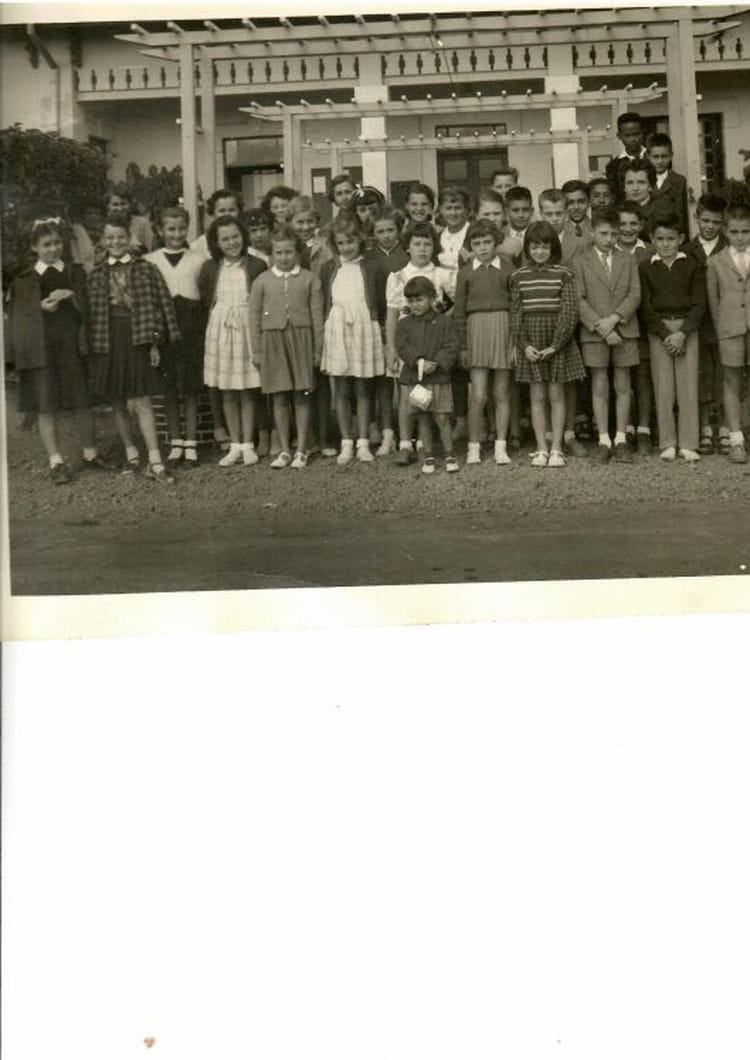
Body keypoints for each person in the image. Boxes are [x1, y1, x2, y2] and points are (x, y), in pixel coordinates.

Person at [6, 218, 116, 484]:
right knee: (46, 405)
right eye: (46, 244)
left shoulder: (75, 272)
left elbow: (91, 305)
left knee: (82, 401)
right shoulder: (25, 279)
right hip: (42, 349)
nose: (53, 249)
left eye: (57, 243)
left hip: (72, 346)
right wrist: (40, 308)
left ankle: (90, 453)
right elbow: (18, 315)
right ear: (35, 247)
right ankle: (55, 461)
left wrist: (73, 296)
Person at [87, 212, 180, 483]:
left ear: (130, 239)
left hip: (138, 338)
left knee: (141, 399)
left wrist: (154, 343)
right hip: (108, 340)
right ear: (103, 242)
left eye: (120, 237)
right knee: (117, 399)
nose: (115, 242)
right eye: (110, 237)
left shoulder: (146, 269)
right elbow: (92, 316)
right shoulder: (96, 275)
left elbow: (161, 307)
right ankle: (131, 455)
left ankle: (154, 458)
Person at [510, 221, 585, 468]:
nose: (540, 251)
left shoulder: (564, 274)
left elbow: (569, 311)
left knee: (556, 395)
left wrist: (557, 344)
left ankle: (556, 449)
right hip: (531, 340)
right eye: (535, 247)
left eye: (545, 246)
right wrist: (524, 345)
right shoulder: (518, 277)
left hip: (556, 341)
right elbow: (516, 313)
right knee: (537, 397)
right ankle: (541, 447)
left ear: (553, 247)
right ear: (527, 248)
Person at [248, 225, 324, 469]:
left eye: (289, 252)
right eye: (279, 253)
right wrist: (257, 350)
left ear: (298, 252)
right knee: (279, 396)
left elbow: (317, 317)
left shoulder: (310, 279)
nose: (284, 257)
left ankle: (302, 448)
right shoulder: (262, 281)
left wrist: (317, 350)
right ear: (272, 254)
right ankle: (284, 447)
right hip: (273, 341)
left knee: (302, 395)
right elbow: (254, 318)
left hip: (302, 339)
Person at [573, 207, 642, 464]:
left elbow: (634, 294)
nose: (609, 238)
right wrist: (600, 326)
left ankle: (621, 438)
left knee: (623, 385)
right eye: (603, 233)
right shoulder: (581, 261)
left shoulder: (627, 259)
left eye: (614, 233)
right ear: (593, 232)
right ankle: (603, 438)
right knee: (599, 384)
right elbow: (578, 298)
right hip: (594, 332)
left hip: (624, 329)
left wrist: (614, 320)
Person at [385, 222, 456, 465]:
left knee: (433, 399)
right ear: (408, 247)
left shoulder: (443, 275)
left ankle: (432, 447)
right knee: (407, 396)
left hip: (434, 345)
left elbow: (455, 305)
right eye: (417, 243)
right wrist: (391, 349)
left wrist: (441, 321)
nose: (422, 249)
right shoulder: (397, 277)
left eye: (427, 243)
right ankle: (406, 444)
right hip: (408, 345)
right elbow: (393, 314)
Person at [199, 215, 266, 467]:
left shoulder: (257, 265)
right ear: (216, 242)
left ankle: (248, 444)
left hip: (247, 327)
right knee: (227, 389)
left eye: (235, 236)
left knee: (247, 388)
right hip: (220, 328)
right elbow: (208, 298)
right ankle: (235, 444)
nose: (231, 242)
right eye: (225, 239)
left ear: (243, 236)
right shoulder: (210, 268)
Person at [640, 211, 706, 462]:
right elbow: (646, 307)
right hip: (660, 332)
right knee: (663, 386)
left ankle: (689, 442)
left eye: (670, 238)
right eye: (660, 239)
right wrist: (667, 334)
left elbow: (700, 304)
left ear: (680, 238)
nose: (666, 244)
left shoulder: (692, 265)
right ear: (652, 240)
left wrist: (683, 333)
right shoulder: (646, 268)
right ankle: (667, 441)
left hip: (687, 330)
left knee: (688, 386)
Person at [320, 214, 384, 465]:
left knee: (363, 388)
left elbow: (378, 301)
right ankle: (346, 442)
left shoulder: (371, 267)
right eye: (341, 243)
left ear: (359, 240)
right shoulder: (328, 269)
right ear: (335, 245)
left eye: (350, 241)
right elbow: (326, 301)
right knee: (341, 388)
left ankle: (363, 442)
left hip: (363, 327)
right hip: (337, 328)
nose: (346, 247)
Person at [145, 206, 205, 470]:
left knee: (190, 386)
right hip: (164, 327)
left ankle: (191, 442)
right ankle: (176, 441)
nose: (177, 233)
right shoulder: (150, 260)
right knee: (169, 387)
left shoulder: (199, 258)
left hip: (191, 326)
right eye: (171, 229)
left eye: (182, 228)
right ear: (160, 230)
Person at [452, 219, 515, 466]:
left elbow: (517, 306)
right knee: (478, 394)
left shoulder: (508, 269)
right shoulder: (466, 272)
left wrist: (515, 343)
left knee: (501, 392)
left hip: (503, 327)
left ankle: (501, 445)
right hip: (475, 330)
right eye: (476, 243)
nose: (482, 248)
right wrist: (463, 346)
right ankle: (474, 446)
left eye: (487, 242)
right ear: (470, 246)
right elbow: (458, 312)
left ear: (496, 242)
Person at [394, 276, 460, 475]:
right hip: (416, 378)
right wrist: (420, 362)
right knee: (422, 417)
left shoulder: (444, 322)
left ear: (432, 298)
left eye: (420, 299)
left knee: (441, 417)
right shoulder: (404, 324)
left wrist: (438, 363)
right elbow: (402, 346)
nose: (415, 305)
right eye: (411, 301)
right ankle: (428, 455)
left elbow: (452, 345)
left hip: (438, 377)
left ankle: (450, 454)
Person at [706, 203, 750, 464]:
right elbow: (714, 302)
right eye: (735, 231)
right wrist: (724, 328)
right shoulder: (716, 262)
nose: (741, 236)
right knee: (732, 382)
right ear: (726, 231)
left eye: (746, 231)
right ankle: (735, 439)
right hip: (730, 329)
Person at [686, 194, 728, 455]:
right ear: (696, 219)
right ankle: (704, 427)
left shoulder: (729, 247)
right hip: (698, 323)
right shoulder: (688, 250)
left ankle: (724, 426)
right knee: (701, 373)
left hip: (725, 321)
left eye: (715, 222)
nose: (710, 226)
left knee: (725, 373)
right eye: (705, 221)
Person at [365, 205, 409, 457]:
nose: (386, 235)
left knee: (405, 380)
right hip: (377, 323)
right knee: (381, 382)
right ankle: (385, 429)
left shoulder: (406, 256)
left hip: (403, 323)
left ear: (398, 230)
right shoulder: (369, 258)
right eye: (380, 231)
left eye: (390, 230)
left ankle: (409, 431)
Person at [616, 202, 655, 452]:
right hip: (617, 321)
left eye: (633, 224)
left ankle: (643, 428)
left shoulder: (649, 252)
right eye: (622, 224)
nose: (628, 229)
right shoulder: (610, 250)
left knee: (642, 376)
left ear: (641, 225)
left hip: (644, 320)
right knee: (621, 378)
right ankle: (625, 427)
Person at [647, 132, 689, 237]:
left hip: (670, 235)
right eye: (655, 157)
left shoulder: (678, 181)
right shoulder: (643, 179)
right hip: (647, 236)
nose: (660, 161)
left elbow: (680, 213)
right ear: (648, 156)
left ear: (671, 156)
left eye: (664, 156)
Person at [191, 189, 242, 261]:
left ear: (239, 211)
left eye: (232, 210)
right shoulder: (198, 246)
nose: (227, 214)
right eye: (222, 211)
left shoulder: (246, 240)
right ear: (213, 213)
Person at [605, 112, 647, 199]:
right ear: (619, 136)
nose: (632, 139)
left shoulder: (654, 158)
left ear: (643, 133)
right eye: (627, 136)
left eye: (636, 134)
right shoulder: (613, 166)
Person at [105, 185, 155, 255]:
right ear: (108, 206)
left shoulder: (142, 223)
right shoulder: (105, 226)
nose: (120, 208)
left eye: (123, 204)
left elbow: (150, 250)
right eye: (115, 205)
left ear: (130, 205)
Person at [622, 159, 659, 238]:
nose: (635, 188)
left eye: (641, 182)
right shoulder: (617, 211)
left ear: (650, 186)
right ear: (624, 187)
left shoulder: (662, 211)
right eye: (630, 183)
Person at [437, 186, 471, 271]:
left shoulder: (474, 233)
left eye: (458, 208)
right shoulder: (438, 237)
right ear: (441, 210)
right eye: (448, 208)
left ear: (466, 210)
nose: (453, 213)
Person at [498, 186, 533, 264]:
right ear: (506, 212)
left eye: (525, 210)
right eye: (515, 210)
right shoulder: (499, 235)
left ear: (532, 211)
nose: (521, 215)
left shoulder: (540, 233)